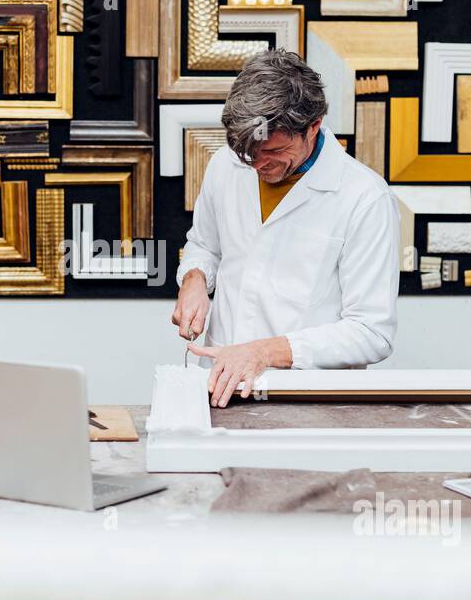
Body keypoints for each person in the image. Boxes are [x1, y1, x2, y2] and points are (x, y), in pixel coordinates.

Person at [171, 48, 400, 407]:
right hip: (217, 387)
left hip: (304, 402)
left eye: (274, 151)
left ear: (313, 126)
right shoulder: (227, 165)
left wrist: (263, 352)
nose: (258, 164)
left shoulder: (364, 198)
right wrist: (195, 280)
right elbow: (205, 245)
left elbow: (372, 333)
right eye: (249, 151)